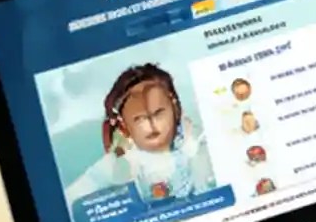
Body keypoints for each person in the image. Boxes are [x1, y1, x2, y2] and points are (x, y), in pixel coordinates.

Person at [64, 63, 214, 207]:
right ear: (124, 126)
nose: (152, 124)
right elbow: (70, 200)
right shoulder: (118, 164)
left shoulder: (198, 143)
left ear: (174, 109)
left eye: (158, 113)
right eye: (140, 118)